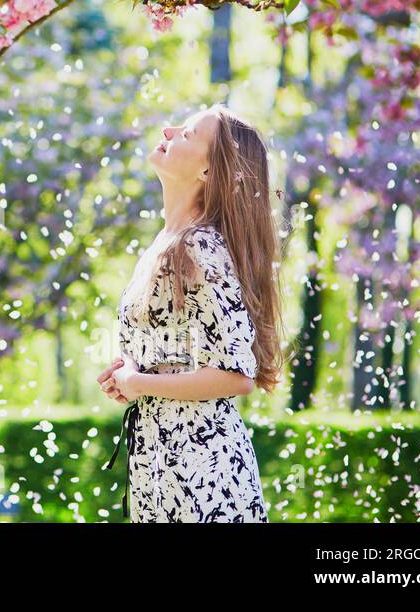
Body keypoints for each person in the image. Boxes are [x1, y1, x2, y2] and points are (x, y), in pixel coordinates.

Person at [97, 103, 287, 522]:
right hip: (158, 468)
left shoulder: (201, 248)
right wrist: (129, 376)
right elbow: (181, 357)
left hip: (203, 475)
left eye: (186, 134)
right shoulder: (167, 242)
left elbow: (237, 376)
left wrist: (139, 381)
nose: (167, 130)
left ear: (208, 173)